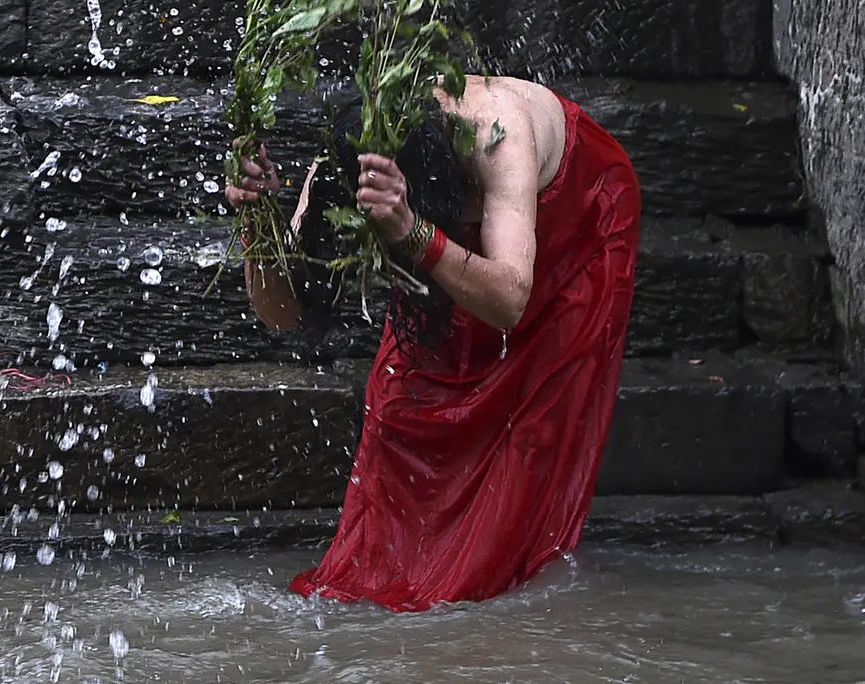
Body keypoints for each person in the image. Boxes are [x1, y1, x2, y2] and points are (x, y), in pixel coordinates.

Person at [225, 75, 640, 612]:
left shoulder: (496, 131)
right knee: (400, 405)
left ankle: (506, 593)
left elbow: (510, 299)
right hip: (436, 241)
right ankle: (392, 588)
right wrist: (258, 220)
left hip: (574, 227)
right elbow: (284, 315)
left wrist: (411, 232)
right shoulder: (344, 165)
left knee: (532, 423)